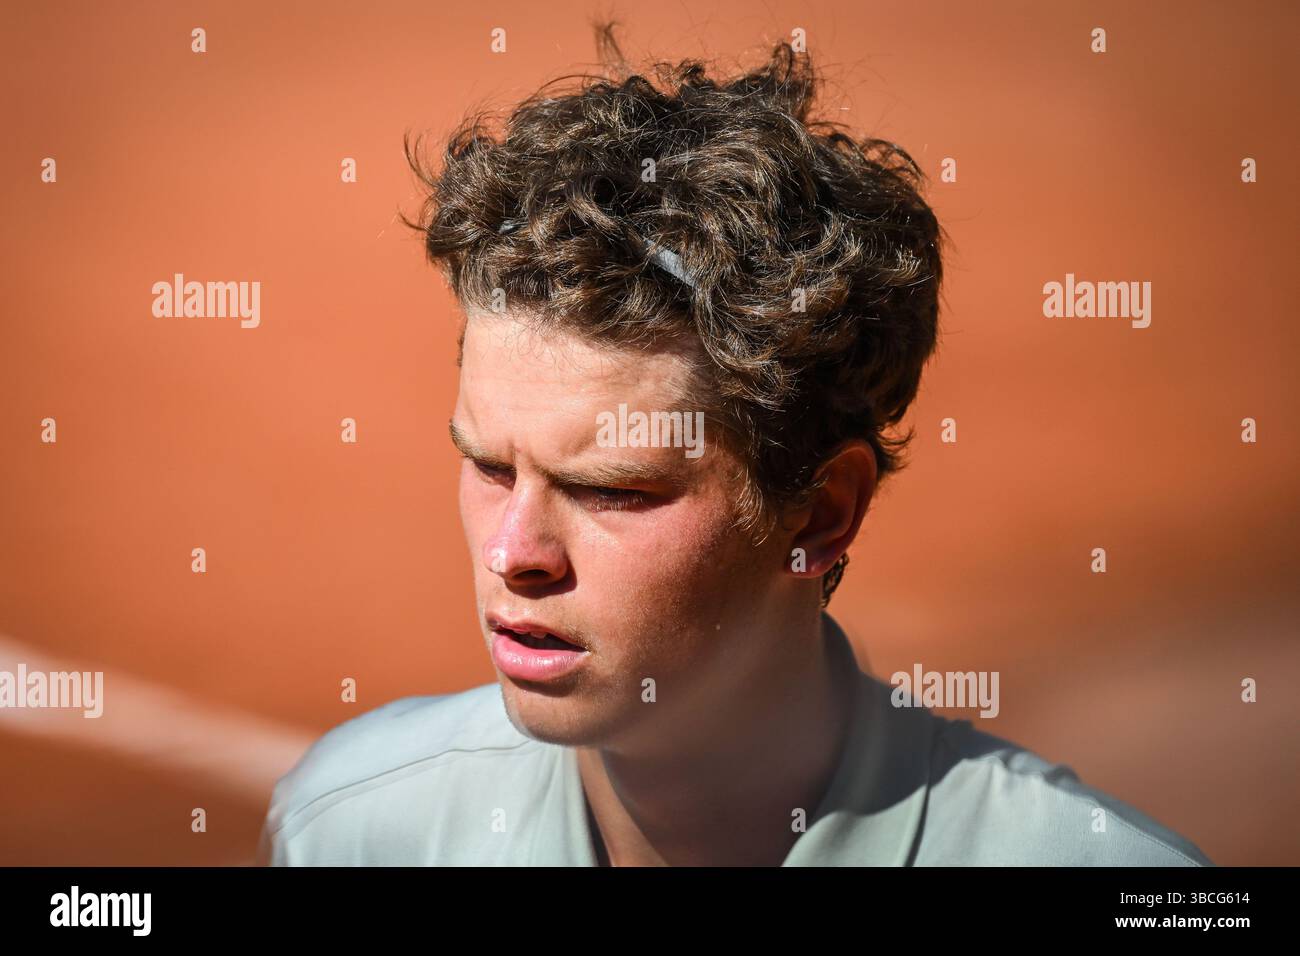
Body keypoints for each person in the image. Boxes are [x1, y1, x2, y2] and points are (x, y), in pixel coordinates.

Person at [257, 28, 1211, 866]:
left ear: (822, 512)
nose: (515, 554)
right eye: (489, 466)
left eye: (613, 491)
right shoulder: (350, 829)